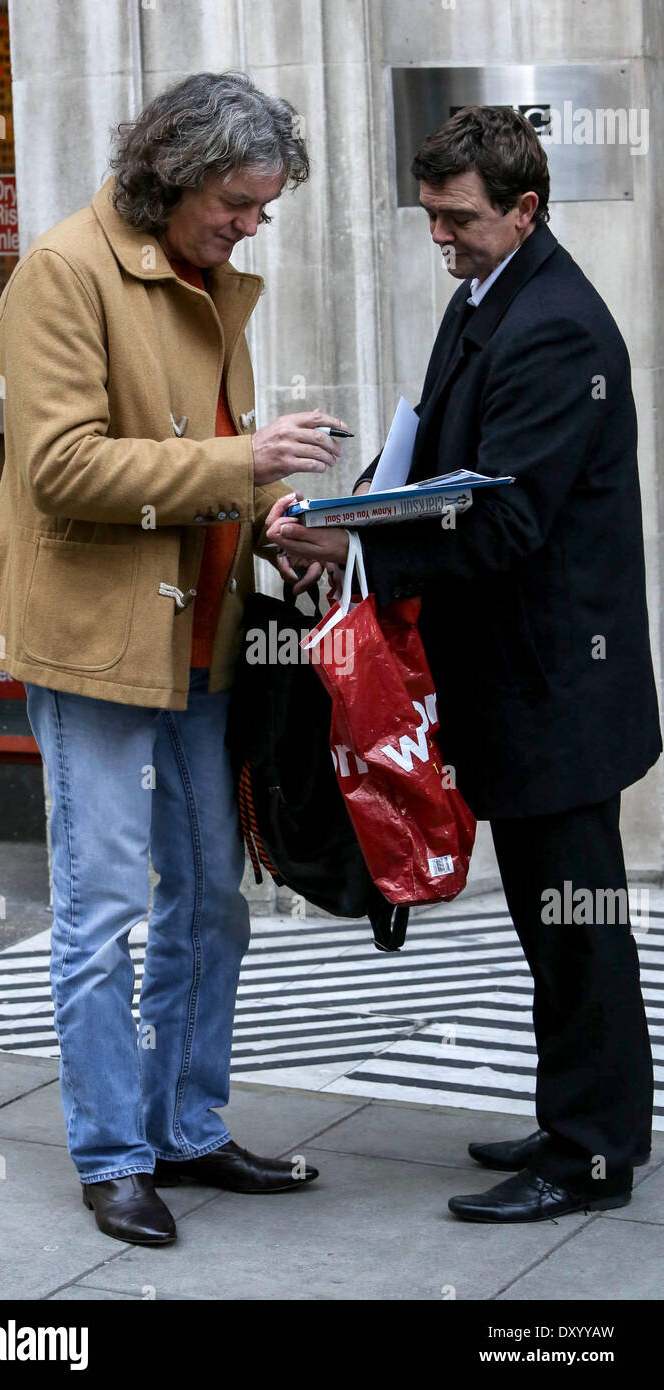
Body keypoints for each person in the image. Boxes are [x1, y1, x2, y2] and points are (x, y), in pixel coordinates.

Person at [0, 70, 349, 1246]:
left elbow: (216, 449)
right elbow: (62, 469)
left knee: (211, 908)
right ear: (174, 175)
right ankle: (113, 1154)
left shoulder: (203, 271)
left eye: (262, 208)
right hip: (92, 645)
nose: (248, 225)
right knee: (102, 909)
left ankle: (185, 1124)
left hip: (202, 638)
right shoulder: (64, 271)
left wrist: (283, 514)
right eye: (235, 201)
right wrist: (245, 469)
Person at [268, 105, 661, 1223]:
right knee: (553, 923)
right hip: (521, 680)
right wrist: (367, 512)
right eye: (430, 216)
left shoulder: (555, 328)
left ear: (523, 208)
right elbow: (448, 474)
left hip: (555, 689)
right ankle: (580, 1118)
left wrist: (350, 538)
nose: (440, 237)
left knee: (578, 926)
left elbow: (503, 522)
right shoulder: (489, 296)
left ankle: (592, 1153)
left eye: (459, 219)